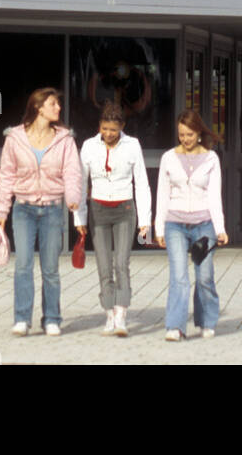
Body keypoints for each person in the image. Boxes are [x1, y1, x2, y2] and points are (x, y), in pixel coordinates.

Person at [0, 87, 82, 337]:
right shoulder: (14, 138)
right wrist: (2, 210)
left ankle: (52, 318)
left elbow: (73, 172)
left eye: (58, 104)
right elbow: (6, 175)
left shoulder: (65, 139)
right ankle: (22, 319)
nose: (58, 108)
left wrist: (73, 198)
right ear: (38, 107)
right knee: (23, 264)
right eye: (53, 104)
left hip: (53, 210)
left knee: (50, 267)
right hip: (23, 209)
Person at [75, 101, 152, 337]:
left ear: (122, 127)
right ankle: (109, 313)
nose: (108, 134)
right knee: (104, 265)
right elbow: (81, 183)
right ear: (99, 125)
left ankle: (121, 314)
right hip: (98, 209)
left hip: (124, 209)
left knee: (121, 263)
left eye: (113, 129)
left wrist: (145, 219)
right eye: (104, 128)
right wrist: (79, 217)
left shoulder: (132, 145)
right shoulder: (88, 146)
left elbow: (141, 181)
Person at [155, 109, 228, 341]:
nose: (184, 139)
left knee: (204, 275)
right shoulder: (168, 157)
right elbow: (162, 195)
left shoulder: (211, 159)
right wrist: (158, 228)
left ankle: (206, 321)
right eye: (181, 134)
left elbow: (215, 196)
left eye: (189, 134)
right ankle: (175, 326)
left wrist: (220, 228)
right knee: (179, 276)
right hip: (175, 224)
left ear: (198, 133)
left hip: (203, 225)